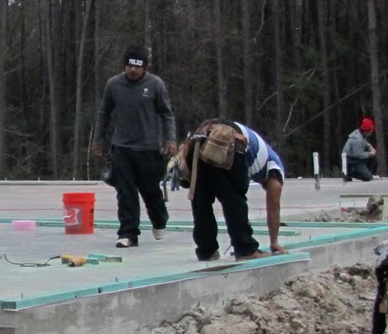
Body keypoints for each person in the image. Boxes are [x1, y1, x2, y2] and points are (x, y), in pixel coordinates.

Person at [90, 42, 178, 248]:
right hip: (122, 148)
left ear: (144, 67)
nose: (132, 69)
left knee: (150, 191)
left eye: (137, 66)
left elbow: (167, 114)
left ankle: (159, 218)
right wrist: (97, 140)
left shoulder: (155, 85)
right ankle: (128, 233)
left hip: (148, 148)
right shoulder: (114, 85)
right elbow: (104, 114)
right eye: (129, 65)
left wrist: (171, 139)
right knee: (125, 192)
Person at [179, 119, 287, 261]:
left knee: (202, 197)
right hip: (228, 139)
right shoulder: (275, 167)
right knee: (234, 197)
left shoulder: (259, 156)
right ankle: (245, 249)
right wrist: (274, 242)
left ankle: (207, 250)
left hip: (200, 136)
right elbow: (274, 205)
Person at [343, 116, 378, 182]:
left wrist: (370, 147)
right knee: (367, 178)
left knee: (372, 156)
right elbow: (357, 154)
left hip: (356, 158)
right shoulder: (357, 140)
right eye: (370, 131)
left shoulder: (360, 134)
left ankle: (367, 172)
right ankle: (350, 172)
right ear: (366, 131)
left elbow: (365, 143)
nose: (371, 133)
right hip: (351, 161)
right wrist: (369, 154)